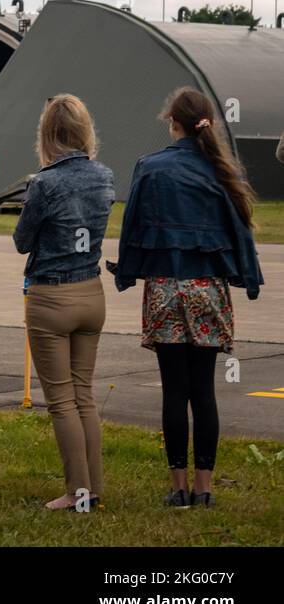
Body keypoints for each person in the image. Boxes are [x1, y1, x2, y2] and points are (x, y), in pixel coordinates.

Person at [109, 87, 263, 508]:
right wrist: (248, 278)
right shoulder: (219, 169)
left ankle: (177, 489)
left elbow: (134, 228)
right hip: (207, 291)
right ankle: (205, 488)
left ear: (171, 122)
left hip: (164, 288)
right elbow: (240, 234)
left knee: (174, 391)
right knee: (205, 391)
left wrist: (126, 272)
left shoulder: (150, 167)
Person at [13, 95, 114, 511]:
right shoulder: (104, 176)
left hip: (51, 295)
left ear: (48, 134)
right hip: (91, 289)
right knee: (84, 394)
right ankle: (95, 485)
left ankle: (78, 492)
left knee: (60, 400)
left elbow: (22, 241)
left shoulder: (43, 183)